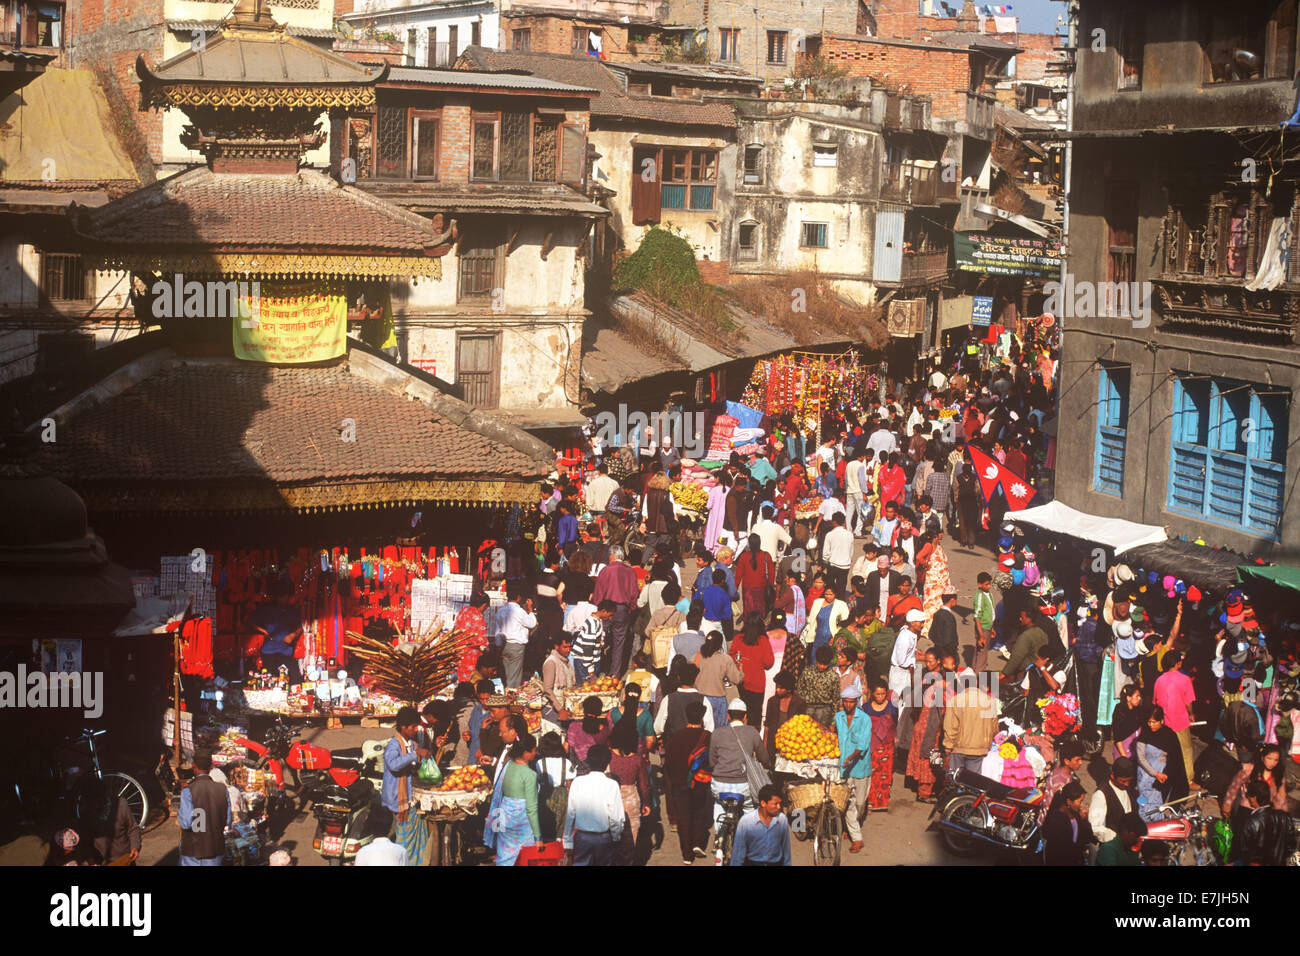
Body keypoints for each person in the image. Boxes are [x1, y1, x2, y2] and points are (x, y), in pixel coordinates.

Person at [664, 699, 714, 863]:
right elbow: (713, 760)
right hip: (700, 781)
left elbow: (668, 762)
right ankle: (697, 843)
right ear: (701, 718)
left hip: (679, 783)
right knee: (699, 811)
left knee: (683, 818)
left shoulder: (677, 736)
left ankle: (687, 854)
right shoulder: (707, 736)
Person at [708, 698, 769, 830]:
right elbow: (763, 758)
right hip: (743, 786)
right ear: (745, 716)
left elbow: (712, 761)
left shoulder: (717, 733)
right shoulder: (752, 733)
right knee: (749, 807)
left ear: (728, 715)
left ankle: (719, 840)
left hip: (720, 784)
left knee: (719, 805)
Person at [483, 733, 543, 866]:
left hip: (505, 818)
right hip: (522, 824)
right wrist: (538, 837)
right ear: (526, 753)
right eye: (534, 749)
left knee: (505, 858)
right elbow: (531, 809)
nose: (535, 753)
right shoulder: (530, 775)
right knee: (523, 859)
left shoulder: (509, 766)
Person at [563, 744, 625, 865]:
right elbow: (616, 817)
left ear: (588, 761)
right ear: (607, 762)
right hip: (603, 837)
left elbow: (570, 814)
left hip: (582, 837)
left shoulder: (577, 782)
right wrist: (616, 836)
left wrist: (568, 841)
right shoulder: (611, 785)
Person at [383, 707, 431, 866]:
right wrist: (416, 754)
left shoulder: (412, 743)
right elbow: (393, 764)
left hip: (411, 796)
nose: (416, 730)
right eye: (413, 727)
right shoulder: (394, 744)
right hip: (398, 799)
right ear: (403, 727)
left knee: (413, 835)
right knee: (403, 838)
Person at [608, 712, 651, 863]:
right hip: (631, 800)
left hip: (611, 800)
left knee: (611, 840)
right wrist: (646, 803)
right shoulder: (637, 759)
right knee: (630, 840)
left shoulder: (608, 756)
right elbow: (644, 785)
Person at [1151, 650, 1197, 792]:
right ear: (1178, 664)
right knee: (1186, 751)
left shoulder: (1159, 680)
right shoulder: (1184, 679)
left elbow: (1155, 703)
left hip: (1164, 722)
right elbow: (1188, 702)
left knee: (1165, 753)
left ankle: (1164, 777)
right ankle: (1188, 780)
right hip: (1180, 722)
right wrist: (1192, 714)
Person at [835, 686, 873, 852]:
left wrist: (849, 758)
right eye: (845, 701)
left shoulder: (865, 719)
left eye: (851, 701)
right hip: (843, 769)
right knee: (849, 803)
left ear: (857, 702)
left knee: (859, 803)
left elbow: (862, 745)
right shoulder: (838, 717)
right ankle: (856, 837)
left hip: (860, 768)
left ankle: (852, 825)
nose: (848, 704)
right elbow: (834, 735)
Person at [1135, 705, 1189, 821]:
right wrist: (1155, 773)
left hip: (1161, 780)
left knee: (1157, 808)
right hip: (1145, 779)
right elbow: (1141, 758)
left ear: (1162, 721)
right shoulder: (1144, 733)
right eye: (1149, 722)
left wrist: (1164, 775)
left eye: (1154, 722)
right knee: (1144, 806)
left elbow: (1175, 759)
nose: (1151, 725)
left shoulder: (1169, 735)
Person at [592, 546, 639, 677]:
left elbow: (598, 594)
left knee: (599, 640)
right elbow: (634, 594)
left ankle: (599, 670)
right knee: (619, 644)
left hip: (606, 610)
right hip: (622, 610)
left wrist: (598, 610)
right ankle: (615, 674)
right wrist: (630, 609)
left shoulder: (606, 571)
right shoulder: (630, 572)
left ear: (612, 556)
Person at [905, 649, 945, 802]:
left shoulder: (941, 680)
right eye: (926, 661)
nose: (928, 664)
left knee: (929, 753)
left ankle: (926, 787)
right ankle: (924, 791)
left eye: (931, 661)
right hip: (923, 722)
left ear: (938, 661)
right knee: (927, 753)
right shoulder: (930, 677)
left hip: (930, 723)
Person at [247, 579, 303, 687]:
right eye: (280, 597)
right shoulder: (267, 610)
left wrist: (293, 634)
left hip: (286, 651)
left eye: (285, 596)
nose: (283, 599)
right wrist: (264, 631)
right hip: (269, 651)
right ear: (276, 598)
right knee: (269, 679)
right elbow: (250, 622)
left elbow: (300, 627)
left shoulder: (292, 611)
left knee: (294, 679)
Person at [179, 750, 231, 867]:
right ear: (211, 767)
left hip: (193, 851)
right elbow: (227, 820)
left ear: (193, 766)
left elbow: (186, 823)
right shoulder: (222, 789)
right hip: (215, 850)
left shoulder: (188, 791)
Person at [943, 670, 998, 777]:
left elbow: (950, 728)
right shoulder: (989, 701)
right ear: (976, 682)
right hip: (979, 750)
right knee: (972, 781)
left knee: (955, 778)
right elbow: (994, 728)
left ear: (962, 683)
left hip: (958, 748)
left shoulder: (956, 700)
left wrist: (947, 748)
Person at [1234, 780, 1299, 866]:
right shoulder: (1285, 817)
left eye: (1248, 795)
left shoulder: (1251, 822)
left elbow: (1246, 853)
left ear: (1254, 798)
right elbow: (1291, 847)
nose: (1247, 798)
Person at [729, 784, 791, 866]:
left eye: (780, 803)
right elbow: (738, 852)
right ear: (763, 803)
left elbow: (786, 848)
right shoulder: (746, 821)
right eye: (775, 804)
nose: (779, 807)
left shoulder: (782, 819)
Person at [84, 777, 142, 865]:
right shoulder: (87, 814)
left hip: (125, 858)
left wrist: (135, 847)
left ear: (105, 795)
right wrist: (90, 859)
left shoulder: (121, 805)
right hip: (103, 862)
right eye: (92, 802)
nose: (96, 805)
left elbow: (133, 828)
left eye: (99, 800)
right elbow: (86, 841)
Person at [731, 613, 775, 727]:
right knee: (755, 715)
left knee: (743, 710)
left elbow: (732, 656)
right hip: (757, 684)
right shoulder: (763, 640)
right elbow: (768, 663)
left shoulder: (738, 638)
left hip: (742, 682)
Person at [1088, 757, 1138, 845]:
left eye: (1129, 781)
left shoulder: (1127, 789)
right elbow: (1095, 826)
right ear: (1112, 775)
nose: (1127, 784)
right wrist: (1117, 838)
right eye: (1123, 781)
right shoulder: (1101, 794)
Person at [1043, 781, 1094, 865]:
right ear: (1069, 801)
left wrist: (1084, 820)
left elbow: (1086, 838)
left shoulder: (1076, 815)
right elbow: (1062, 847)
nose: (1082, 805)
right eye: (1080, 801)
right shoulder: (1056, 820)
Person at [497, 591, 537, 689]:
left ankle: (507, 691)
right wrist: (530, 609)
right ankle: (511, 696)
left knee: (507, 674)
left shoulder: (501, 610)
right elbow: (532, 623)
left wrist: (498, 645)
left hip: (504, 645)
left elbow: (497, 629)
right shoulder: (519, 611)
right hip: (516, 646)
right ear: (518, 598)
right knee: (514, 675)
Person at [796, 644, 841, 727]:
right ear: (816, 660)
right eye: (820, 663)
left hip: (824, 711)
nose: (822, 667)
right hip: (808, 708)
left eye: (825, 664)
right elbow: (799, 690)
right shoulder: (807, 672)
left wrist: (833, 722)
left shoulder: (834, 677)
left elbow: (836, 700)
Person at [734, 533, 775, 619]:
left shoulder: (744, 557)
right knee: (761, 613)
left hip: (748, 590)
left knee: (748, 614)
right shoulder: (766, 556)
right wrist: (770, 587)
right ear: (759, 543)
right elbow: (771, 575)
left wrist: (734, 592)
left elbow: (738, 577)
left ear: (749, 544)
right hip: (762, 589)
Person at [572, 600, 613, 683]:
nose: (610, 618)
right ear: (603, 611)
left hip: (591, 660)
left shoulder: (598, 621)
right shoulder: (592, 624)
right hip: (584, 661)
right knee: (586, 686)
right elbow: (587, 647)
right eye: (610, 615)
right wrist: (590, 667)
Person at [764, 671, 806, 752]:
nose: (777, 690)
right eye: (777, 687)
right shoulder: (772, 701)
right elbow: (767, 726)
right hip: (773, 743)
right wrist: (764, 745)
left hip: (790, 744)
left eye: (781, 688)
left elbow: (802, 726)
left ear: (789, 690)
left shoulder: (799, 703)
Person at [889, 608, 925, 705]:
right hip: (899, 674)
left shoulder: (910, 633)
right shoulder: (905, 638)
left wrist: (916, 651)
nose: (922, 625)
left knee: (905, 701)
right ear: (912, 622)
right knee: (897, 701)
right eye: (920, 622)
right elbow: (902, 661)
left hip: (905, 674)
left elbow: (907, 650)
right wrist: (921, 659)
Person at [567, 696, 612, 766]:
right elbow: (609, 750)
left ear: (584, 710)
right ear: (599, 711)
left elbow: (566, 748)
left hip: (578, 768)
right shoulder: (605, 730)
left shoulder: (574, 727)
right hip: (599, 768)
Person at [541, 634, 576, 724]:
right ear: (556, 647)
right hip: (552, 710)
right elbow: (547, 689)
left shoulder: (566, 662)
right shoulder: (551, 662)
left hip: (564, 708)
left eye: (569, 647)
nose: (568, 650)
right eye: (565, 647)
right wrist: (560, 709)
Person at [1110, 683, 1147, 760]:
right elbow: (1117, 736)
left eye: (1140, 696)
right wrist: (1124, 757)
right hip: (1123, 751)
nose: (1139, 698)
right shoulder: (1119, 711)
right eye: (1137, 696)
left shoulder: (1138, 710)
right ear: (1128, 698)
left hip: (1136, 750)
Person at [822, 513, 855, 596]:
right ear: (844, 522)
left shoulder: (829, 535)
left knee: (830, 588)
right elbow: (851, 551)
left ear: (834, 522)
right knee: (841, 589)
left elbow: (825, 553)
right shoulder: (850, 535)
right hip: (845, 566)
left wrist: (826, 562)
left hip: (833, 565)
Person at [929, 590, 960, 662]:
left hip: (937, 650)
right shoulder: (949, 617)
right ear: (952, 600)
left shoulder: (937, 613)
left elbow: (931, 634)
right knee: (949, 673)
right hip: (948, 653)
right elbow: (948, 639)